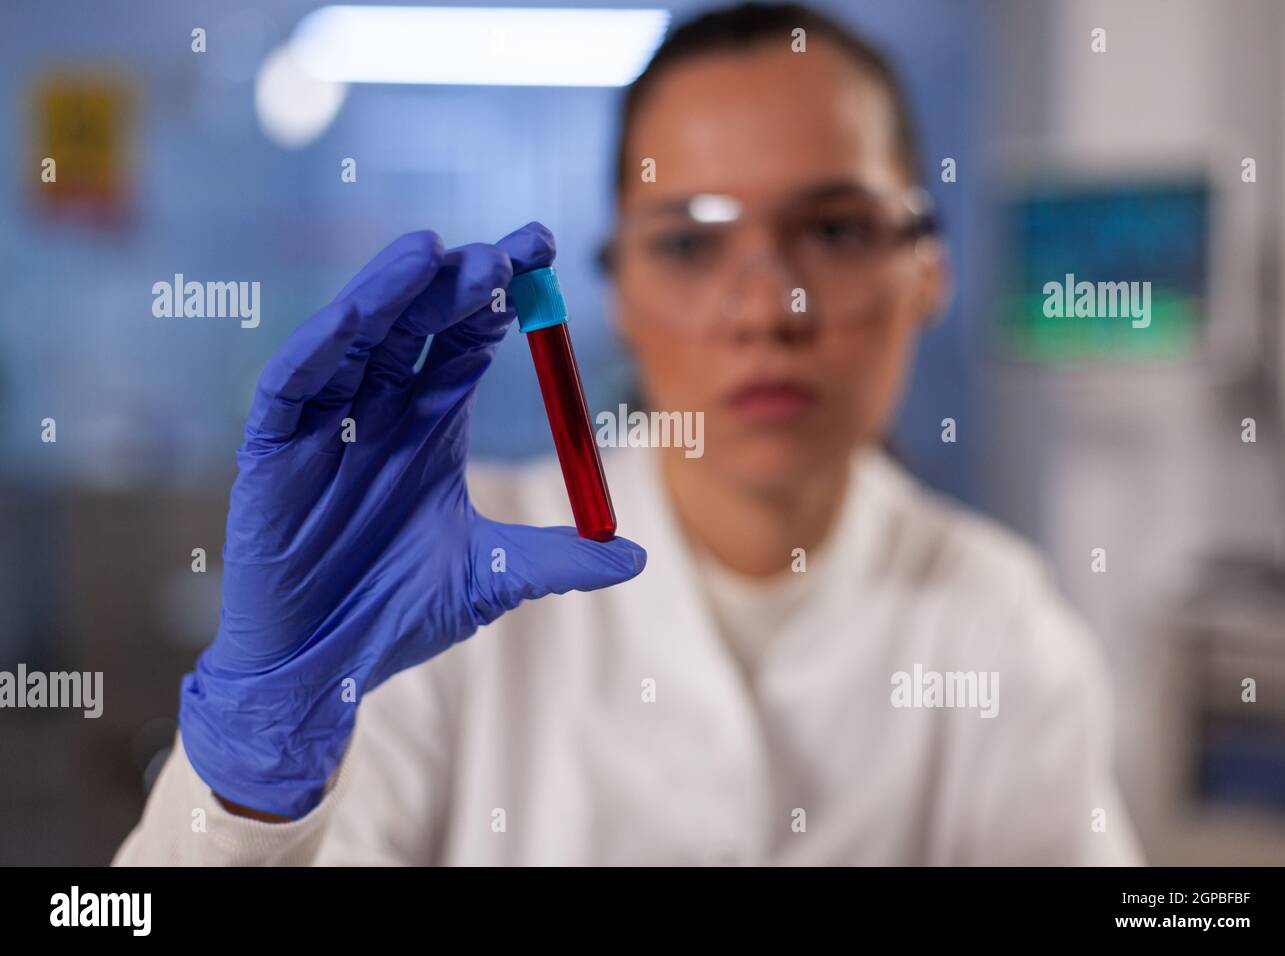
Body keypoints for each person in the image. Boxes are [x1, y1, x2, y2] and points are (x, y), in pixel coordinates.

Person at [113, 2, 1141, 865]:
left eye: (834, 229)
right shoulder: (445, 584)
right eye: (690, 242)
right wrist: (249, 785)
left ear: (928, 272)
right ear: (618, 295)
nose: (766, 309)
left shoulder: (1003, 628)